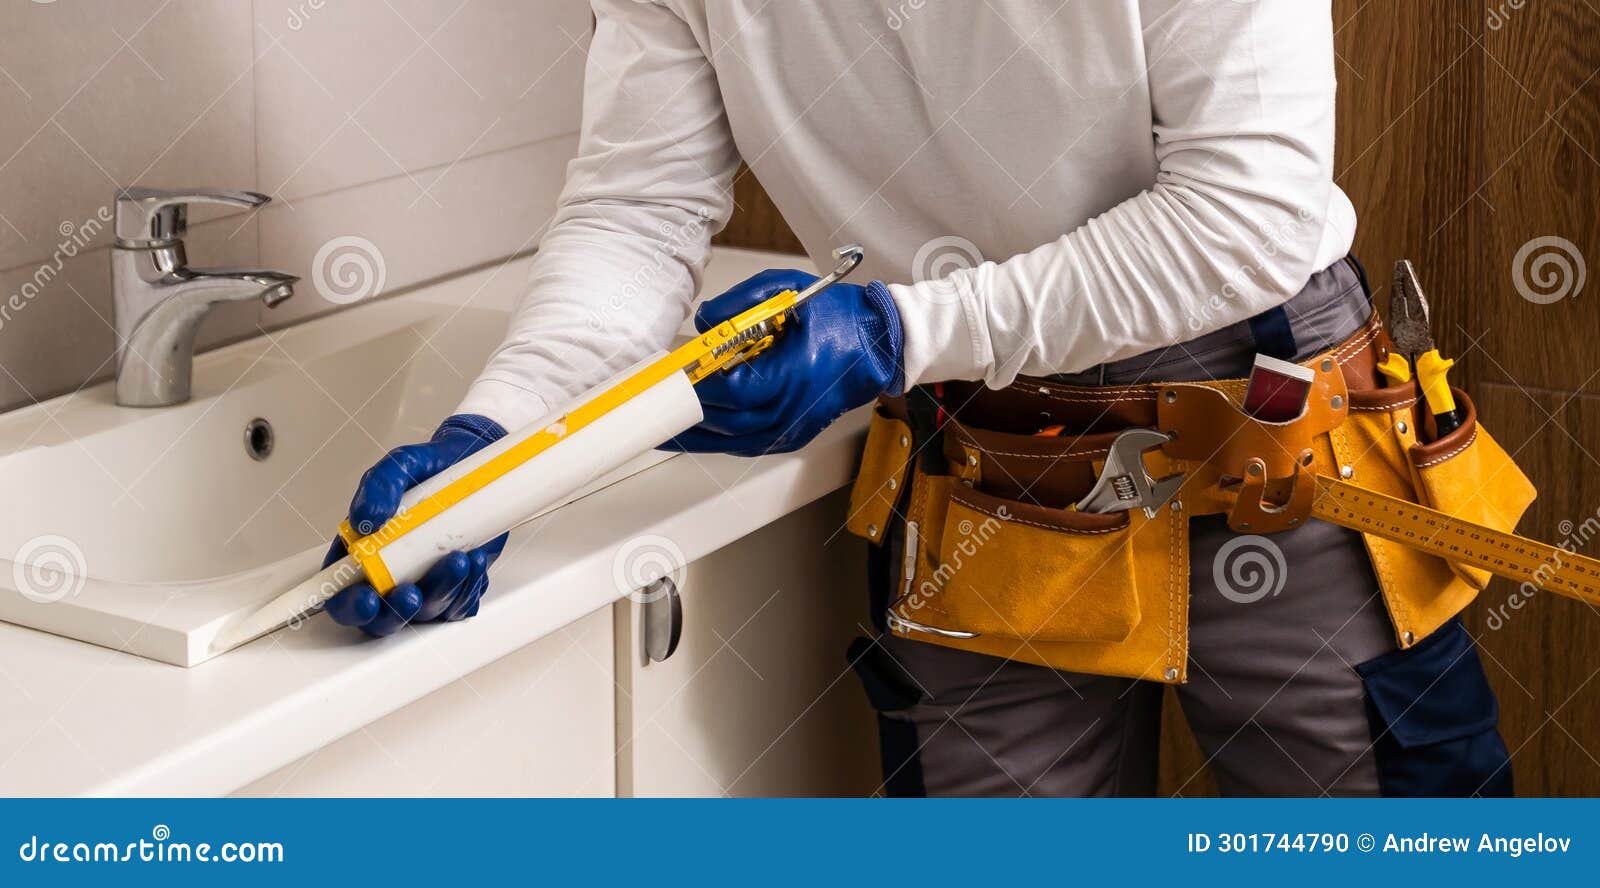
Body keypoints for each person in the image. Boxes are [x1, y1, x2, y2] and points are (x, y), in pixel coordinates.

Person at [321, 1, 1512, 797]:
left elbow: (1242, 215)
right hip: (985, 465)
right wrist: (492, 455)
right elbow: (637, 214)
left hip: (1259, 433)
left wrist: (905, 329)